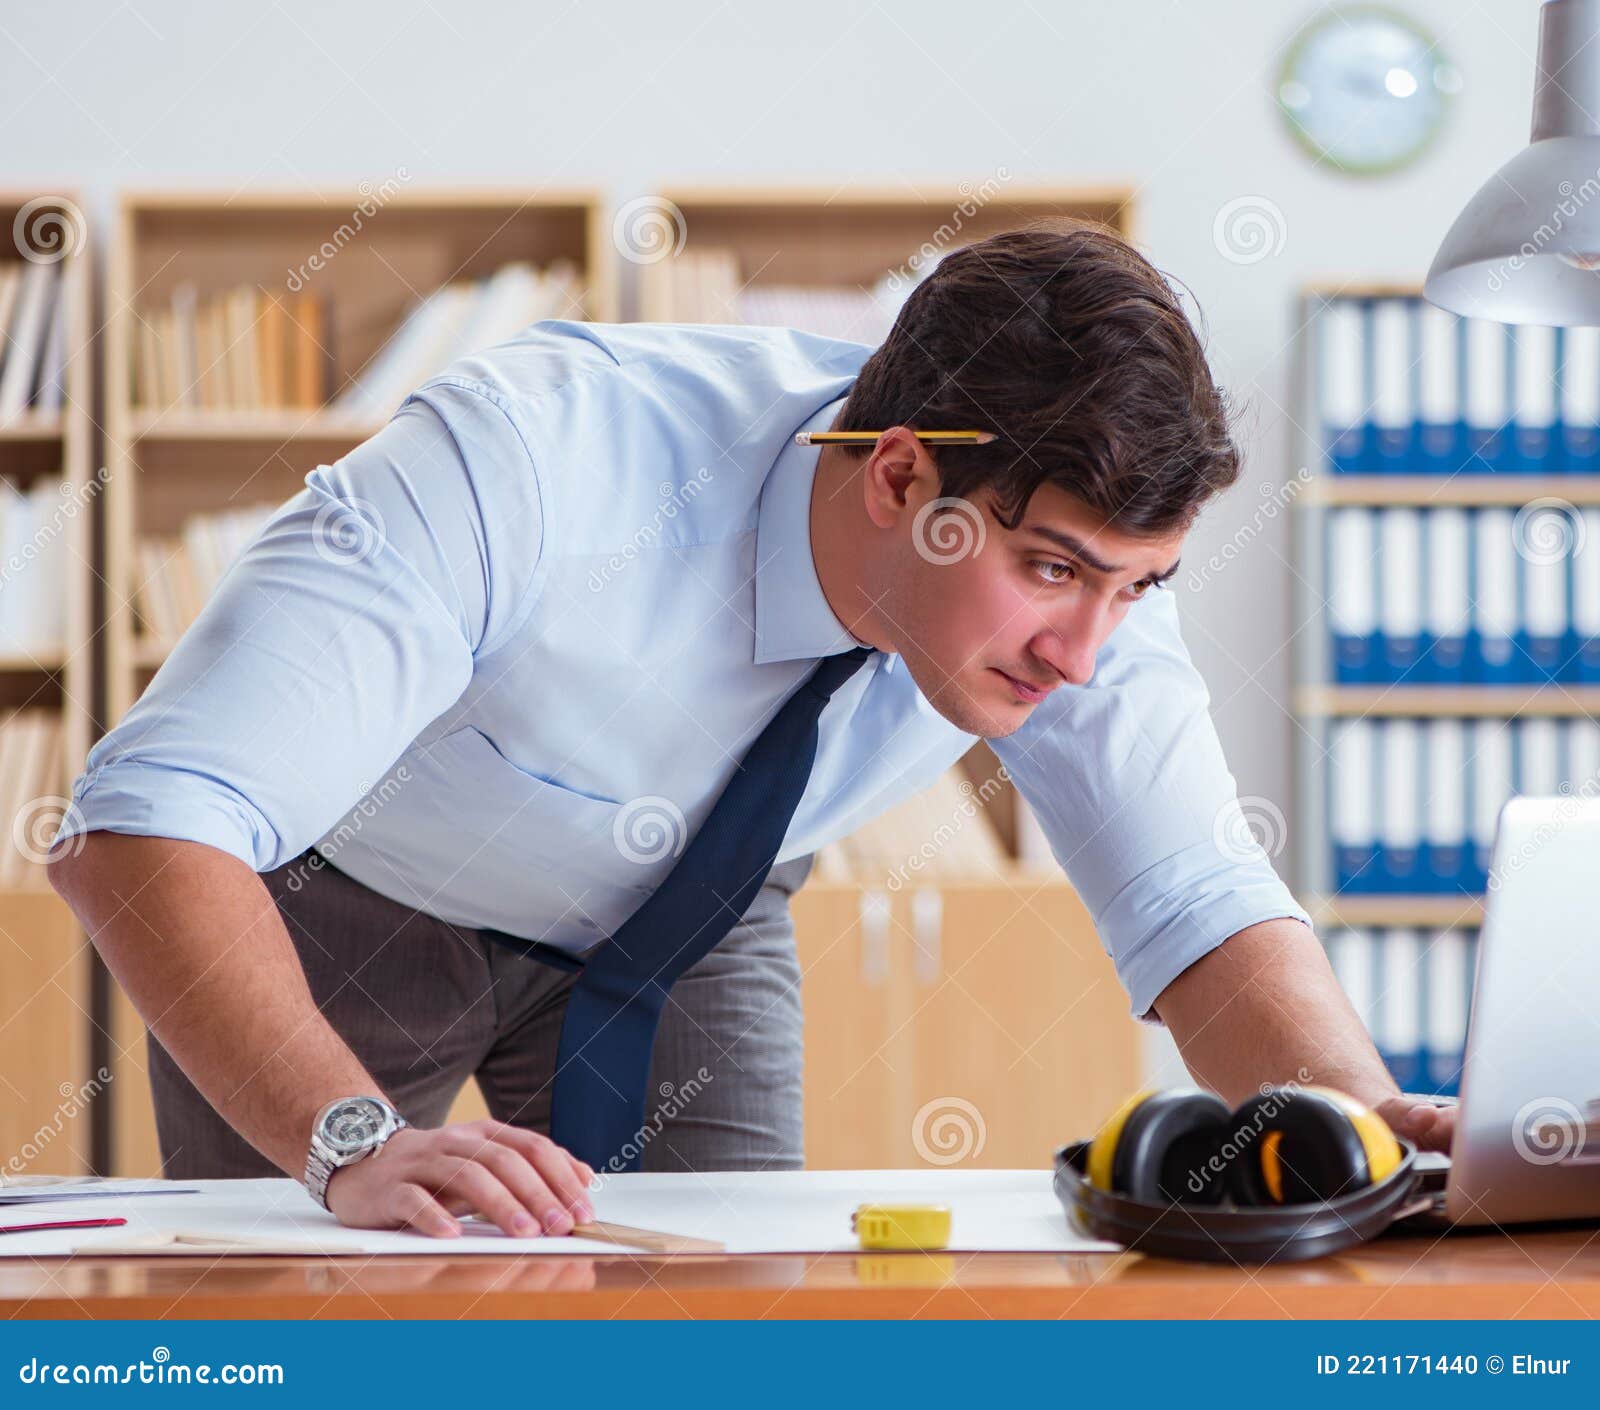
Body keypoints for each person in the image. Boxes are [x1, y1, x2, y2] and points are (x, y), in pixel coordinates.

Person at [46, 220, 1453, 1241]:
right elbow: (141, 824)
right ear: (900, 475)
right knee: (312, 1296)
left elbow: (1199, 902)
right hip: (351, 908)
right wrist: (347, 1139)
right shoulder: (537, 458)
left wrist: (1370, 1139)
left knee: (723, 1304)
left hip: (687, 917)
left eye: (1135, 587)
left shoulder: (1087, 608)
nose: (1085, 651)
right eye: (1055, 572)